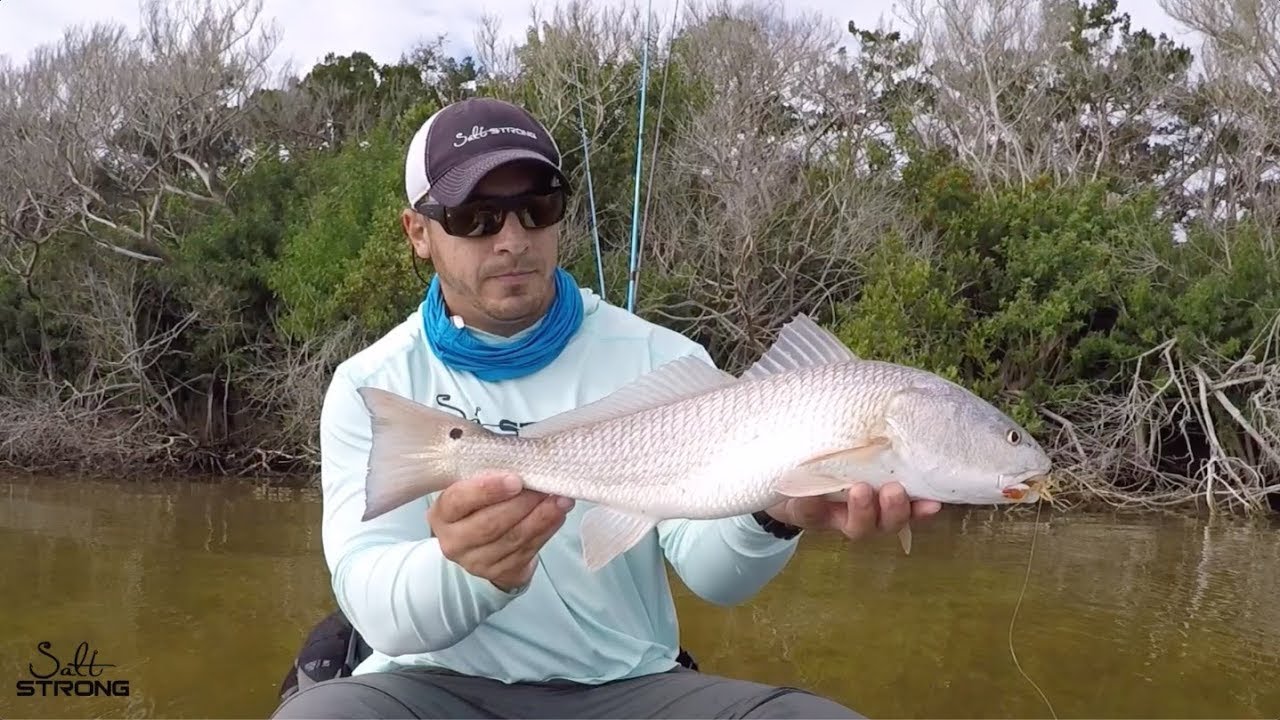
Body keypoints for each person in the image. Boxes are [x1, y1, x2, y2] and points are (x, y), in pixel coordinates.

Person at [271, 96, 942, 719]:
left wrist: (775, 511)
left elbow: (715, 577)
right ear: (418, 232)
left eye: (537, 206)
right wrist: (467, 569)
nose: (511, 238)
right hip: (429, 687)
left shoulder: (662, 358)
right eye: (474, 217)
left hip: (629, 686)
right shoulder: (372, 383)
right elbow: (374, 602)